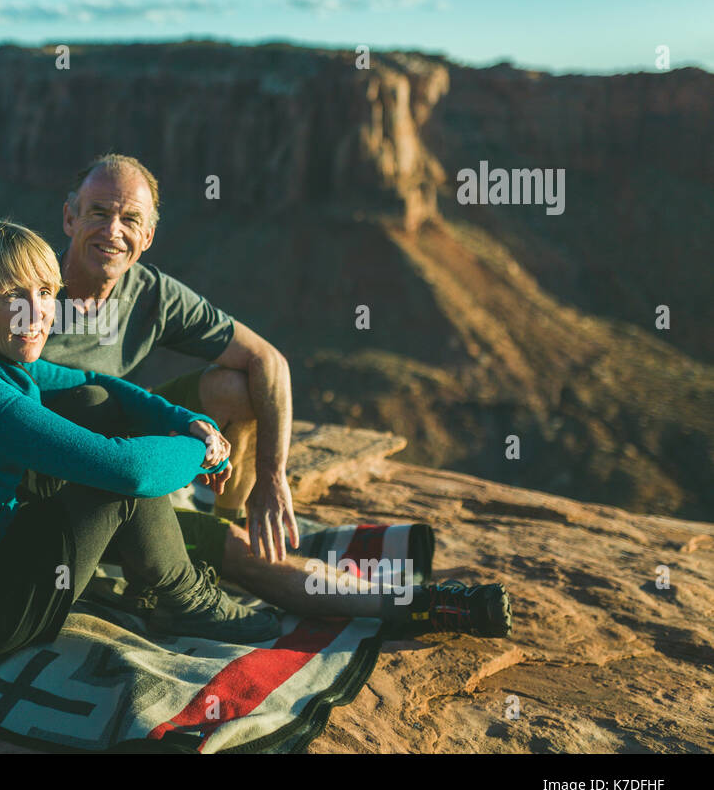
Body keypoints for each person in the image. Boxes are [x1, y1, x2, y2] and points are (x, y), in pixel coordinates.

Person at [37, 154, 511, 637]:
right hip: (79, 485)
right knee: (245, 553)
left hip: (129, 446)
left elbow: (269, 361)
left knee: (240, 386)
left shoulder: (150, 293)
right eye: (98, 213)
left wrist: (272, 477)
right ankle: (419, 604)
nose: (113, 230)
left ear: (148, 237)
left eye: (130, 218)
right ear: (69, 217)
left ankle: (232, 512)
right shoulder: (29, 297)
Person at [0, 219, 294, 662]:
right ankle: (188, 603)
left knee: (90, 401)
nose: (36, 315)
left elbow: (96, 382)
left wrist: (185, 420)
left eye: (45, 293)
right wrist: (202, 453)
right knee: (117, 481)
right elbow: (128, 472)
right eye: (13, 296)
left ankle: (147, 577)